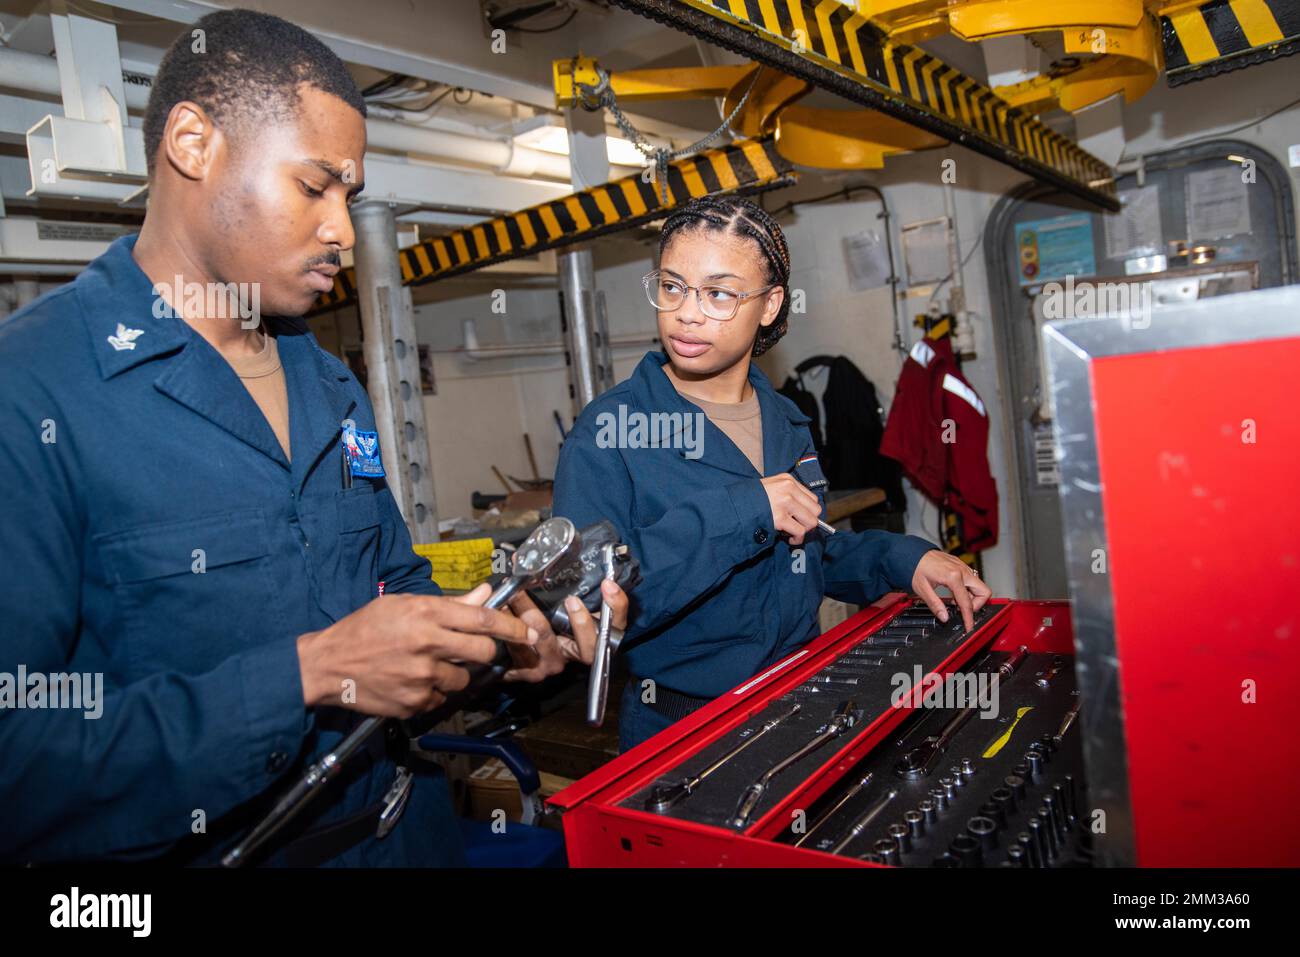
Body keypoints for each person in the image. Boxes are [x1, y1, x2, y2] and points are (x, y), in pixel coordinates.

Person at [0, 8, 626, 866]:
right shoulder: (35, 391)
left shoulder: (326, 382)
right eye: (313, 186)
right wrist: (305, 674)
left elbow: (395, 590)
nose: (341, 228)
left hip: (408, 835)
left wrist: (503, 638)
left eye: (350, 197)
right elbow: (16, 761)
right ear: (193, 142)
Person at [552, 197, 989, 752]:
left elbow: (806, 551)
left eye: (719, 293)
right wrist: (742, 511)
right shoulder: (608, 433)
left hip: (801, 701)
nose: (687, 312)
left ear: (769, 304)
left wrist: (902, 559)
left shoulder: (785, 419)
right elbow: (589, 604)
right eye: (672, 287)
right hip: (685, 732)